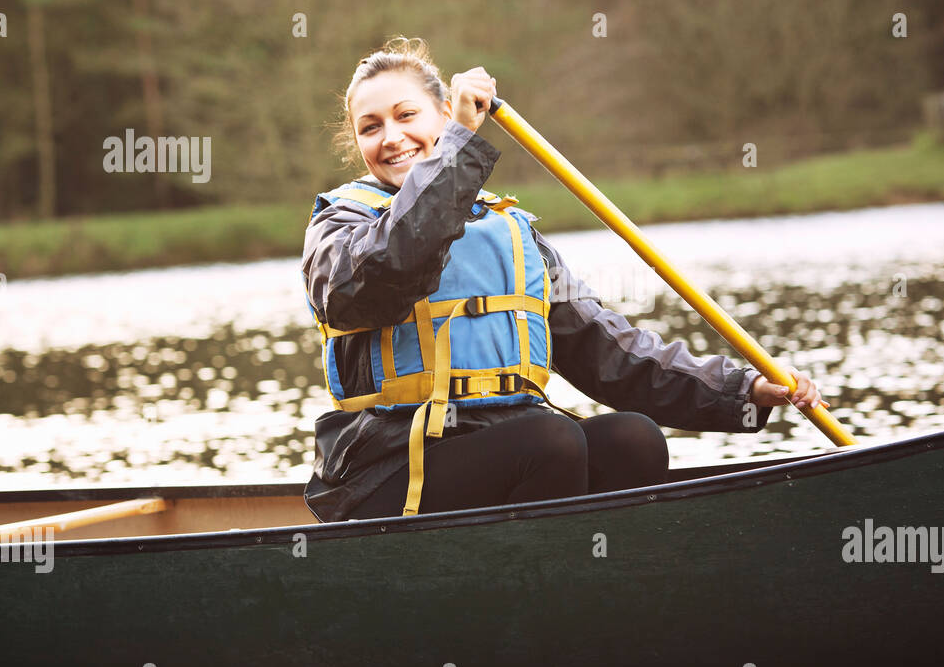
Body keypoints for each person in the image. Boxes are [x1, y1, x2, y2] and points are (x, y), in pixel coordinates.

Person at [301, 37, 824, 522]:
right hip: (390, 466)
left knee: (633, 439)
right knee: (551, 440)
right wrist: (455, 151)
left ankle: (590, 588)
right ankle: (525, 592)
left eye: (406, 115)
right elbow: (390, 268)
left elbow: (608, 350)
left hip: (507, 441)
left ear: (443, 114)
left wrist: (744, 389)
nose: (392, 138)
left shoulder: (508, 229)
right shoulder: (339, 227)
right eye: (371, 127)